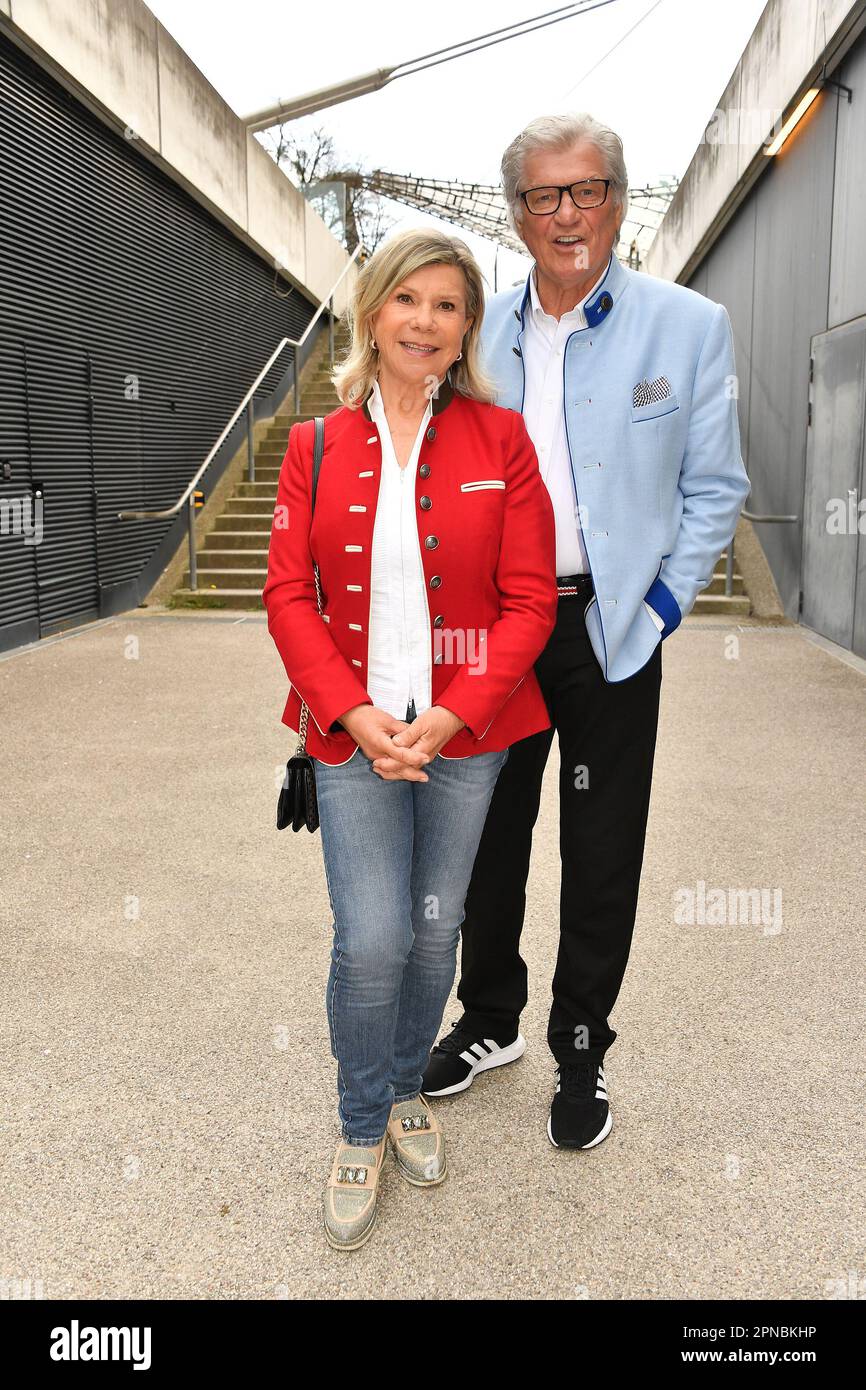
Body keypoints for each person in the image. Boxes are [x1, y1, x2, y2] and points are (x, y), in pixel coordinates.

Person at [422, 113, 751, 1151]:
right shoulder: (478, 331)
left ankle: (579, 1043)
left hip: (607, 627)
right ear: (516, 212)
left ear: (618, 197)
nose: (565, 215)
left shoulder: (686, 327)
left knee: (600, 843)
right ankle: (489, 1019)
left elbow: (713, 488)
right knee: (483, 833)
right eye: (541, 196)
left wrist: (654, 612)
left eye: (585, 190)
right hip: (492, 631)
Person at [262, 227, 557, 1248]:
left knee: (436, 931)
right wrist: (351, 712)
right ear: (373, 311)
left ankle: (400, 1090)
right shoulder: (314, 445)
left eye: (446, 305)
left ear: (466, 324)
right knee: (374, 934)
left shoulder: (501, 440)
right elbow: (286, 595)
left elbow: (527, 602)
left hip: (464, 738)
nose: (424, 321)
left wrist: (448, 713)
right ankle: (358, 1121)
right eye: (407, 300)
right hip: (351, 739)